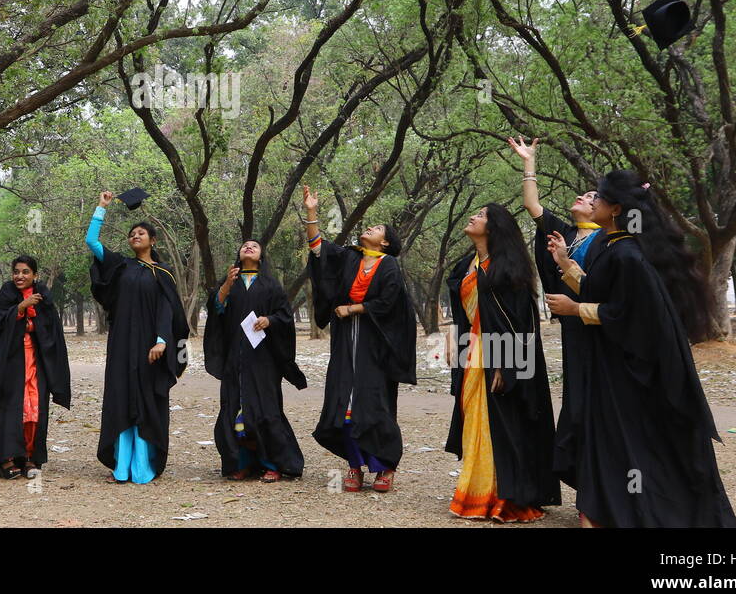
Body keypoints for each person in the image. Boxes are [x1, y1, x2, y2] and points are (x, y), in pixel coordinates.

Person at [545, 169, 736, 527]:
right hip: (606, 367)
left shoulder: (630, 255)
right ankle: (601, 509)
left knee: (626, 443)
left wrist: (576, 309)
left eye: (598, 198)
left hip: (628, 372)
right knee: (606, 442)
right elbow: (605, 290)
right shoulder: (609, 244)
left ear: (616, 208)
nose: (592, 202)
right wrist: (567, 267)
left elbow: (633, 314)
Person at [444, 203, 559, 521]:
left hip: (500, 356)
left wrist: (506, 366)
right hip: (473, 355)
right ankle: (476, 491)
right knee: (475, 423)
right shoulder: (465, 266)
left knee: (505, 425)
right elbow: (464, 315)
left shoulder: (508, 269)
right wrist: (456, 338)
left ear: (494, 228)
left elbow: (522, 324)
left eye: (481, 215)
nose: (473, 217)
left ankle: (507, 497)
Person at [302, 185, 416, 493]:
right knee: (345, 404)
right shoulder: (349, 258)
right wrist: (312, 211)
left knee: (374, 404)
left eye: (377, 228)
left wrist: (354, 307)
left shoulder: (388, 265)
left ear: (386, 242)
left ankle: (384, 467)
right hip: (344, 344)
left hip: (375, 345)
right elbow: (318, 250)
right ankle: (354, 466)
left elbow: (390, 301)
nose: (369, 227)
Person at [507, 135, 600, 489]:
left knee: (593, 399)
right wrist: (528, 162)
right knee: (576, 398)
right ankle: (582, 475)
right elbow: (532, 205)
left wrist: (576, 301)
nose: (583, 197)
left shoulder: (607, 240)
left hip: (598, 325)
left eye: (591, 198)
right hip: (574, 330)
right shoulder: (567, 233)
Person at [86, 190, 189, 484]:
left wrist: (162, 340)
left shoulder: (163, 274)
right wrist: (101, 207)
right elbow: (92, 242)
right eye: (132, 233)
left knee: (145, 400)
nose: (135, 235)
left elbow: (168, 311)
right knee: (120, 398)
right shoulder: (120, 266)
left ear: (153, 240)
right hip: (120, 345)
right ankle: (121, 467)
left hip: (149, 347)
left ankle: (144, 466)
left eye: (142, 232)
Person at [203, 240, 307, 481]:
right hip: (235, 360)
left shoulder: (271, 285)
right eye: (245, 245)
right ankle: (242, 463)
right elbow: (216, 309)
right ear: (238, 254)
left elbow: (284, 316)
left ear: (261, 257)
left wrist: (269, 320)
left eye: (254, 246)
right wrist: (227, 285)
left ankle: (272, 463)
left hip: (263, 361)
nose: (248, 247)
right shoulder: (230, 282)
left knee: (265, 410)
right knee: (234, 409)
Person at [0, 255, 72, 479]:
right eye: (16, 272)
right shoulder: (6, 293)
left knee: (35, 409)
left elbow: (51, 330)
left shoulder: (43, 295)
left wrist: (34, 322)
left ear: (35, 275)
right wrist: (20, 308)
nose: (19, 276)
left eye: (25, 272)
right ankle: (7, 458)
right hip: (11, 363)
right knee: (11, 408)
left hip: (37, 361)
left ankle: (30, 459)